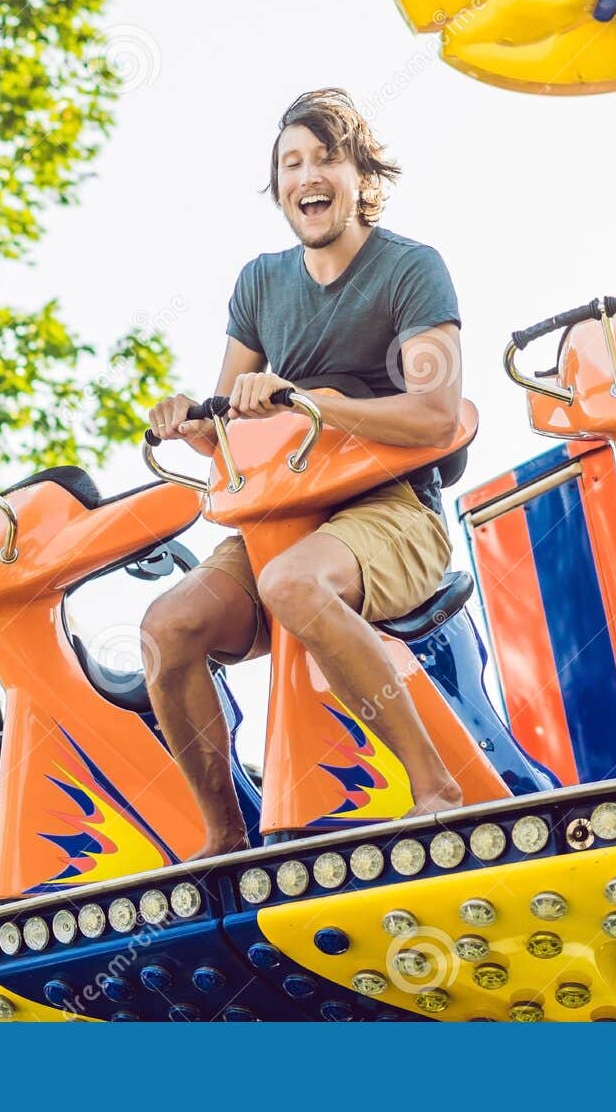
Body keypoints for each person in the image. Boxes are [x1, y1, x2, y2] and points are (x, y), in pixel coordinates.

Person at [142, 88, 468, 858]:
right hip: (283, 512)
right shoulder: (260, 283)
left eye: (325, 157)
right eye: (291, 162)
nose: (307, 175)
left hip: (391, 511)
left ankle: (435, 790)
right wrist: (195, 423)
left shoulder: (412, 270)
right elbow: (228, 437)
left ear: (361, 177)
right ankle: (226, 837)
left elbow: (437, 414)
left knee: (293, 583)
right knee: (167, 626)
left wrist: (317, 402)